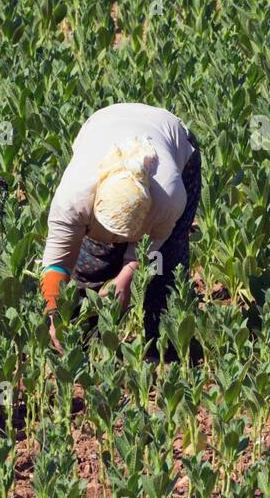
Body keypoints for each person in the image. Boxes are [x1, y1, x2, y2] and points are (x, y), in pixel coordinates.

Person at [40, 103, 202, 361]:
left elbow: (149, 250)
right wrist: (52, 314)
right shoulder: (72, 199)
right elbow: (57, 263)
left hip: (173, 139)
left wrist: (127, 276)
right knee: (91, 266)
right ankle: (76, 345)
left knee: (163, 269)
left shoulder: (169, 198)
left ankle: (167, 351)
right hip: (103, 125)